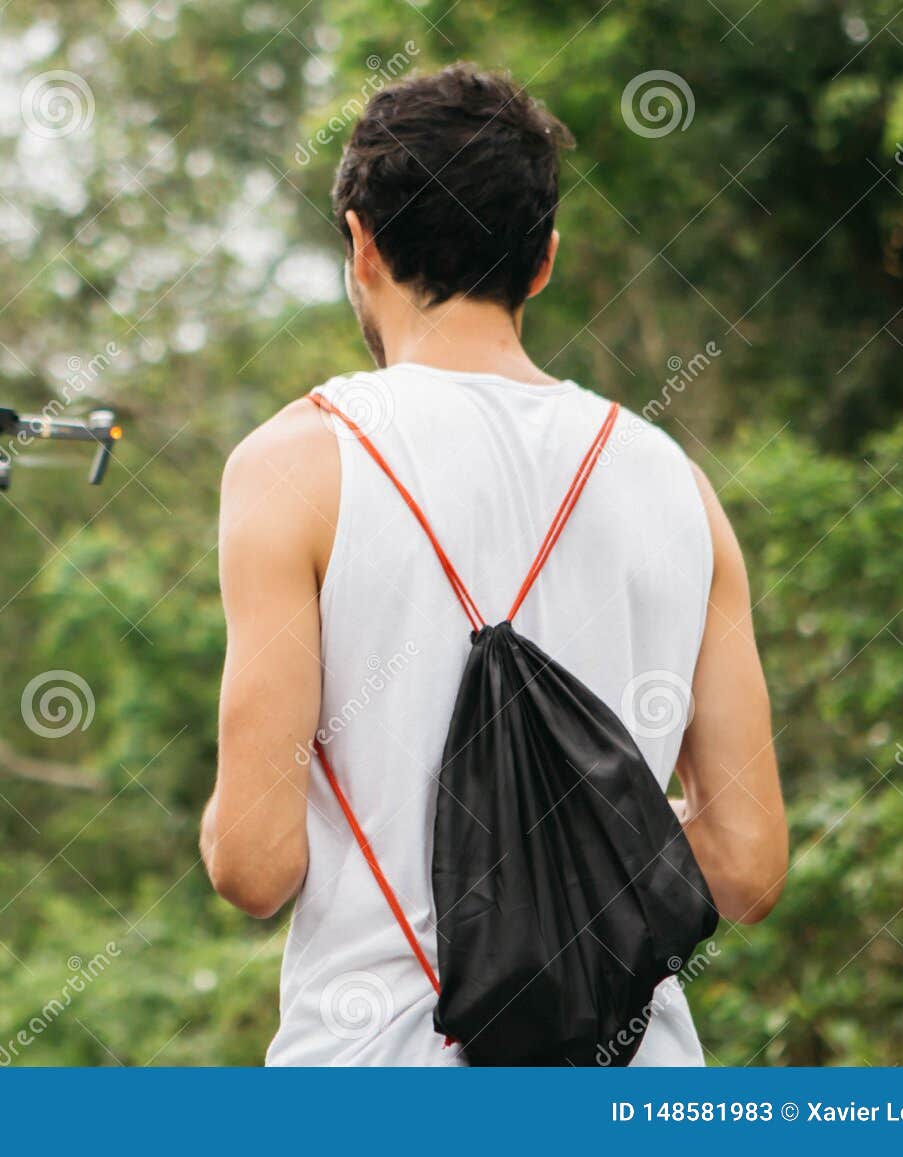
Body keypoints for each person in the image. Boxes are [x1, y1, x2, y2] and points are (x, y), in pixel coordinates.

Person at [198, 64, 787, 1066]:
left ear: (361, 243)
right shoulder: (677, 485)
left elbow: (255, 865)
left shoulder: (294, 463)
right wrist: (563, 870)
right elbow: (744, 863)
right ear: (544, 259)